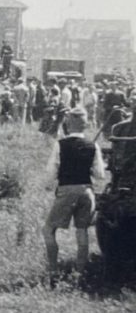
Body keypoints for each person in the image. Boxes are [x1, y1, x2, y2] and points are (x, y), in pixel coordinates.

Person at [42, 108, 105, 280]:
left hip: (67, 189)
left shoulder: (60, 144)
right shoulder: (93, 146)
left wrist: (49, 186)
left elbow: (51, 172)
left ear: (68, 124)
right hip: (87, 191)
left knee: (48, 230)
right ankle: (79, 273)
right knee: (82, 230)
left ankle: (53, 272)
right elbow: (100, 174)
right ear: (85, 125)